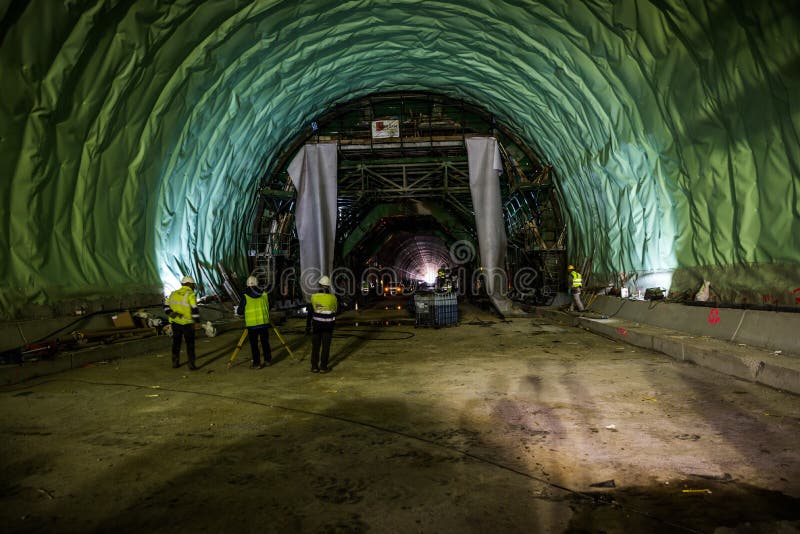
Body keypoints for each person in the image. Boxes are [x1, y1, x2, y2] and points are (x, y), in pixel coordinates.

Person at [165, 275, 201, 369]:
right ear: (189, 284)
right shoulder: (190, 294)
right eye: (193, 285)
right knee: (190, 344)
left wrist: (172, 314)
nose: (194, 287)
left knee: (176, 343)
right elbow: (194, 309)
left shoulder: (173, 293)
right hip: (188, 324)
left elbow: (166, 307)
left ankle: (175, 362)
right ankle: (191, 365)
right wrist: (197, 322)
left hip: (175, 323)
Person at [236, 275, 272, 369]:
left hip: (252, 326)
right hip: (264, 323)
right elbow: (270, 306)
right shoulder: (264, 294)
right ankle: (268, 360)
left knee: (254, 345)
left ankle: (256, 364)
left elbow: (239, 311)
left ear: (247, 285)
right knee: (265, 343)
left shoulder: (245, 297)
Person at [306, 275, 338, 373]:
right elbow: (335, 310)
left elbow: (310, 312)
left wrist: (307, 326)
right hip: (328, 326)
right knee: (325, 346)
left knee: (316, 346)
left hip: (317, 326)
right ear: (328, 286)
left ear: (320, 286)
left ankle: (314, 366)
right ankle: (323, 367)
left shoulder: (314, 297)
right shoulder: (333, 298)